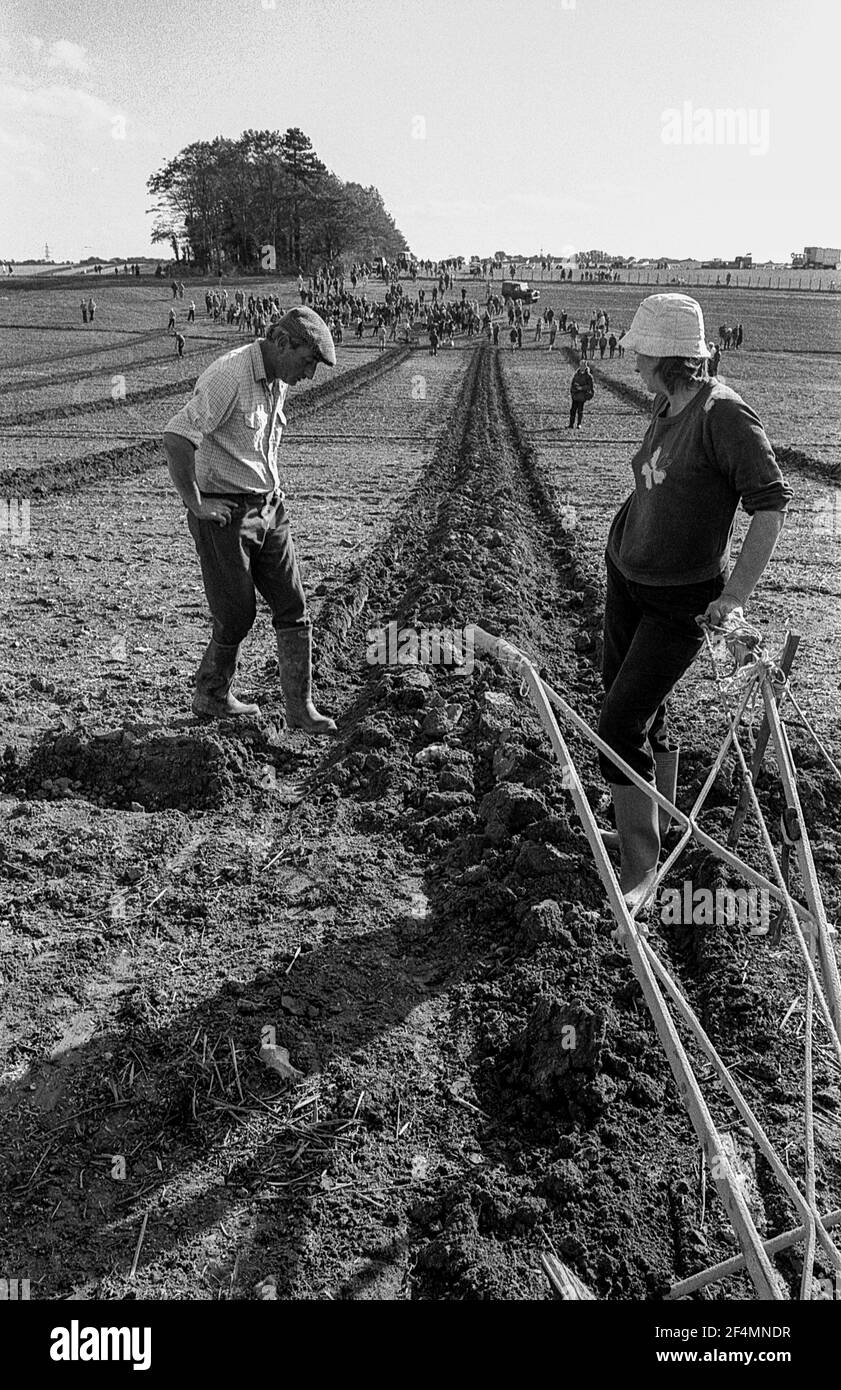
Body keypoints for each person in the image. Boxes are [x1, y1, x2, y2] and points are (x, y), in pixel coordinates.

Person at [597, 294, 792, 914]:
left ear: (665, 356)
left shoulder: (725, 415)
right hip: (627, 576)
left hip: (680, 599)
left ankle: (642, 868)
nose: (631, 361)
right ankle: (662, 820)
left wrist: (734, 594)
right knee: (640, 710)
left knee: (619, 723)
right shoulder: (667, 402)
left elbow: (770, 501)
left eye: (639, 352)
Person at [162, 307, 338, 733]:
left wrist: (273, 492)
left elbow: (260, 446)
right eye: (308, 361)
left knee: (294, 607)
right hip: (225, 513)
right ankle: (212, 693)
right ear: (282, 343)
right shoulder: (230, 375)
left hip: (269, 507)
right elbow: (177, 436)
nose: (310, 374)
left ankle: (301, 709)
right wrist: (196, 504)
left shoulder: (278, 380)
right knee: (237, 614)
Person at [568, 359, 594, 428]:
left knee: (580, 410)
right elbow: (572, 384)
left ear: (585, 366)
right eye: (581, 365)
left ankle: (579, 424)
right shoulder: (576, 374)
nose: (582, 367)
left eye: (583, 365)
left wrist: (582, 388)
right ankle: (571, 424)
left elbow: (590, 387)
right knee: (573, 410)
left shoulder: (589, 376)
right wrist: (573, 391)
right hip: (575, 395)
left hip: (582, 396)